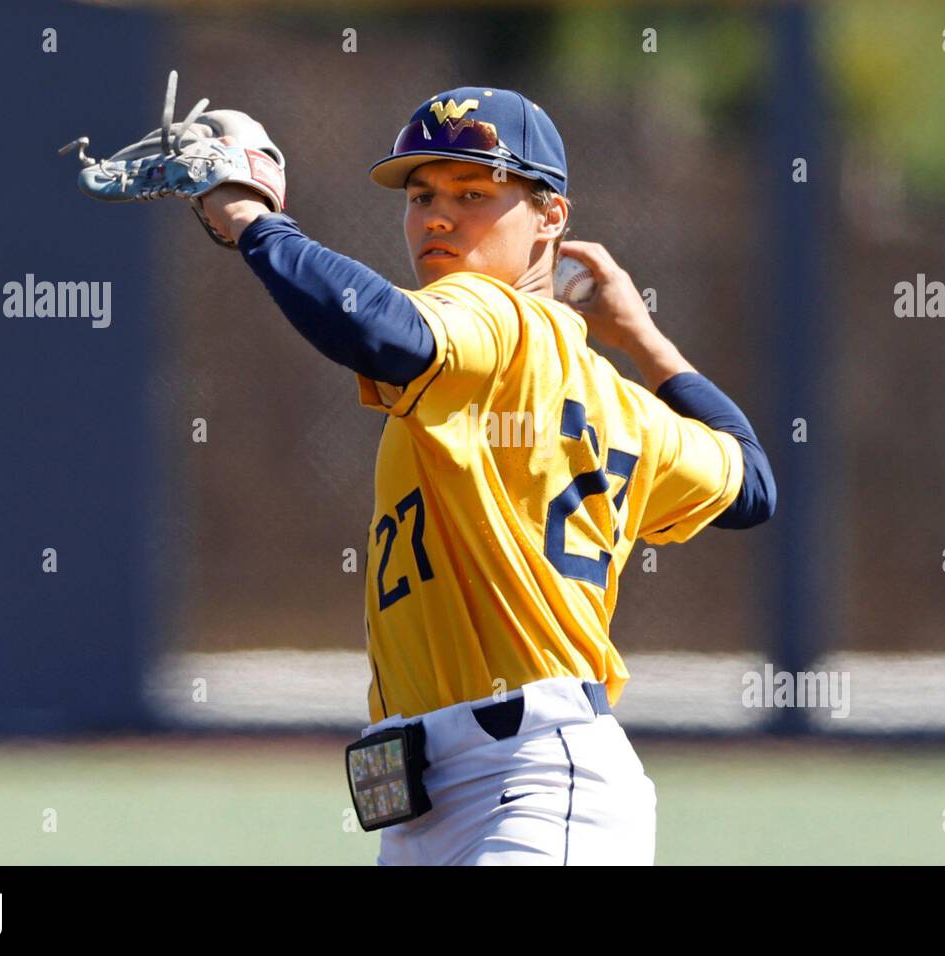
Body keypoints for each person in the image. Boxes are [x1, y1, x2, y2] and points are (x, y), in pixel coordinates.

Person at [200, 86, 776, 865]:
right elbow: (751, 482)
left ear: (551, 216)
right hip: (443, 802)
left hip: (532, 782)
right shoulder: (623, 406)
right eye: (422, 196)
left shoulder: (494, 318)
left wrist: (248, 215)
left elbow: (378, 330)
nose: (439, 217)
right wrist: (642, 338)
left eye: (473, 194)